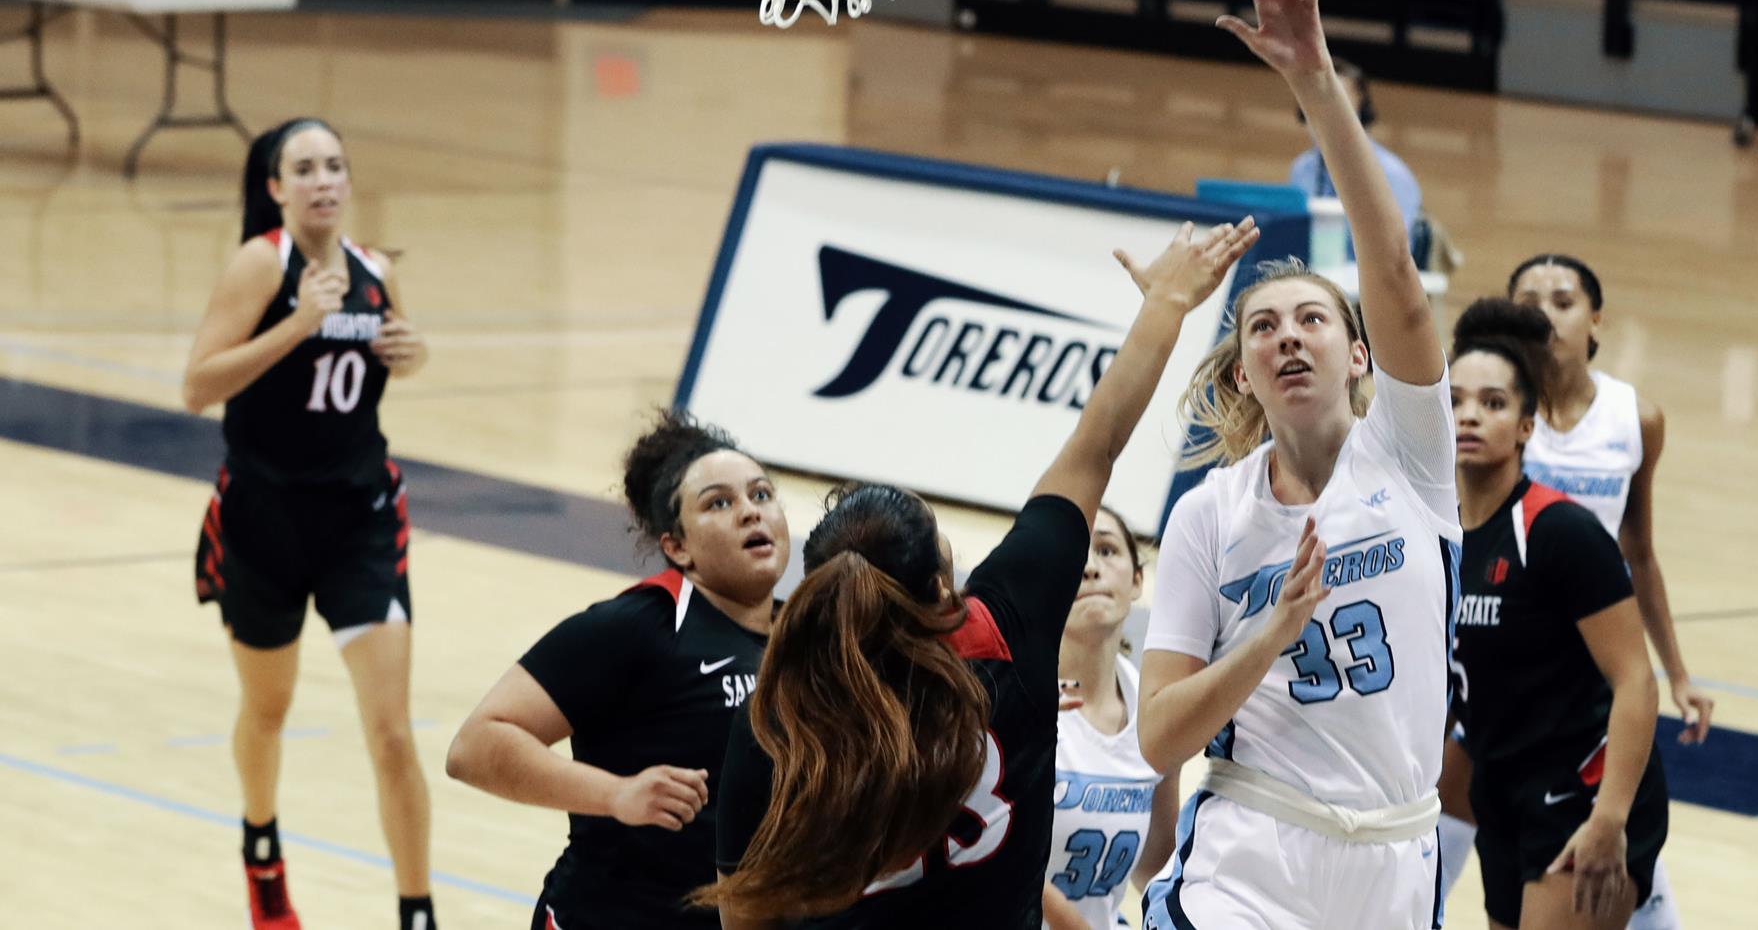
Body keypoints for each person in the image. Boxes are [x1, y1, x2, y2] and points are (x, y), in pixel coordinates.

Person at [699, 216, 1259, 929]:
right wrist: (1166, 304)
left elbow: (744, 918)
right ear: (942, 589)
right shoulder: (1005, 640)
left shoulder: (781, 717)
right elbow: (1096, 445)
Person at [1138, 0, 1459, 930]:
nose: (1286, 336)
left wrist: (1314, 78)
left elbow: (1393, 269)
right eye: (1262, 327)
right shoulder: (1208, 516)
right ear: (1241, 372)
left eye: (1311, 319)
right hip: (1253, 854)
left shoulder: (1409, 454)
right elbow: (1158, 737)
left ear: (1359, 354)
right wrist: (1265, 637)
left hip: (1395, 858)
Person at [184, 118, 435, 930]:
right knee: (269, 707)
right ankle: (262, 848)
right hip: (262, 521)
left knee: (392, 732)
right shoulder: (261, 264)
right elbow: (197, 386)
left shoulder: (375, 270)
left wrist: (412, 353)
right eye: (305, 168)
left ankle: (417, 911)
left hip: (360, 522)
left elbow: (398, 355)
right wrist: (294, 324)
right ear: (276, 188)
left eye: (335, 166)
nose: (324, 180)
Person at [445, 410, 787, 929]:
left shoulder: (805, 635)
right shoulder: (639, 625)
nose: (750, 512)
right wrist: (616, 794)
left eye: (761, 494)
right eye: (719, 502)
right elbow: (475, 746)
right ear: (677, 547)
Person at [1445, 253, 1705, 929]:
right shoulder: (1440, 532)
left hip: (1584, 777)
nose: (1469, 417)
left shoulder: (1563, 527)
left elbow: (1634, 675)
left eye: (1492, 403)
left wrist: (1610, 819)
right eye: (1455, 401)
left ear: (1525, 426)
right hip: (1504, 773)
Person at [1042, 507, 1180, 930]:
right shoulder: (1013, 699)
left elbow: (1155, 867)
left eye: (1106, 550)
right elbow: (990, 859)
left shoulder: (1156, 706)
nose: (1089, 568)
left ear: (1137, 580)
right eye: (1072, 554)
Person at [1285, 57, 1428, 265]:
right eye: (1313, 105)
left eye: (1337, 107)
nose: (1323, 117)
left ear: (1361, 111)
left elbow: (1394, 257)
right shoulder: (1301, 168)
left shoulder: (1391, 175)